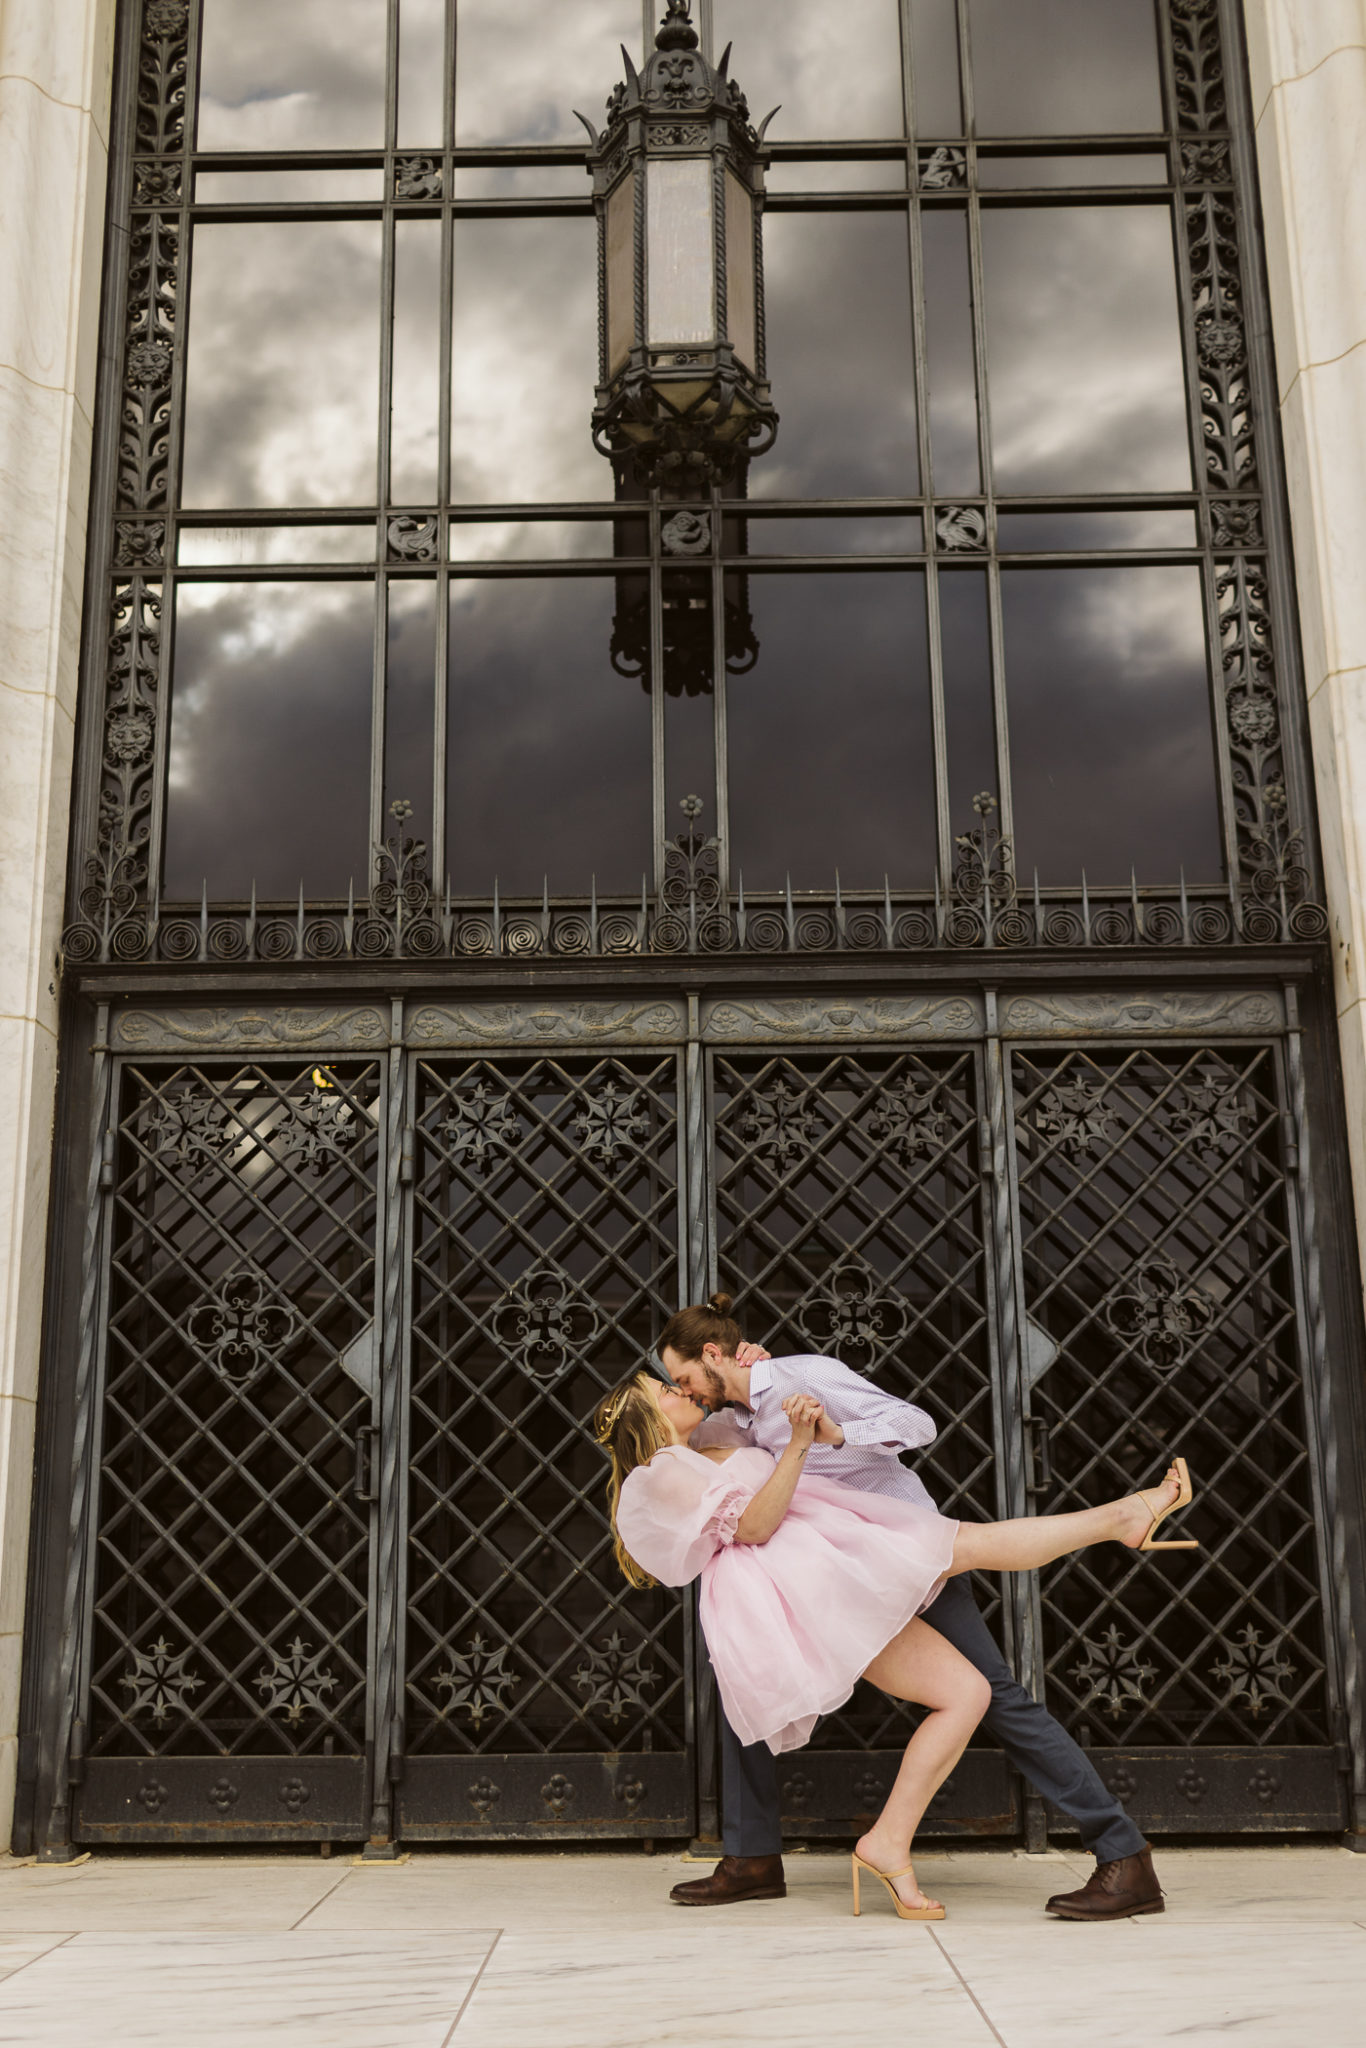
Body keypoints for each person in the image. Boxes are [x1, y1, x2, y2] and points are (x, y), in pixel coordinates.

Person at [594, 1358, 1193, 1921]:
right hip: (826, 1574)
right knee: (749, 1695)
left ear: (713, 1353)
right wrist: (797, 1438)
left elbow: (906, 1424)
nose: (680, 1388)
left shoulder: (752, 1407)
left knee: (980, 1689)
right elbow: (747, 1521)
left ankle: (896, 1844)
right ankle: (755, 1856)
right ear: (649, 1416)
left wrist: (778, 1390)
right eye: (667, 1388)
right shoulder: (672, 1464)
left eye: (679, 1376)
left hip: (868, 1541)